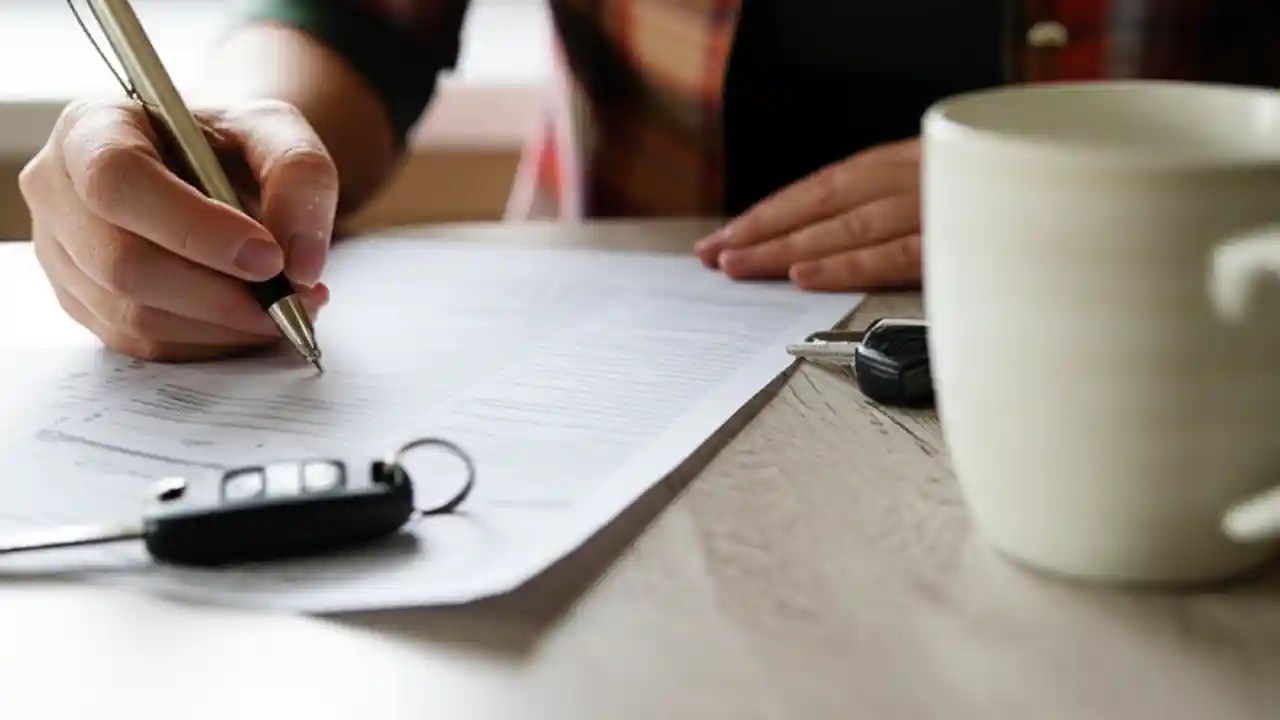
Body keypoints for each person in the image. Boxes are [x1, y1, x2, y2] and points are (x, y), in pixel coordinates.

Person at [18, 0, 1273, 362]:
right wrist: (234, 138)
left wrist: (1105, 194)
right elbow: (360, 21)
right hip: (626, 369)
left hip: (1188, 345)